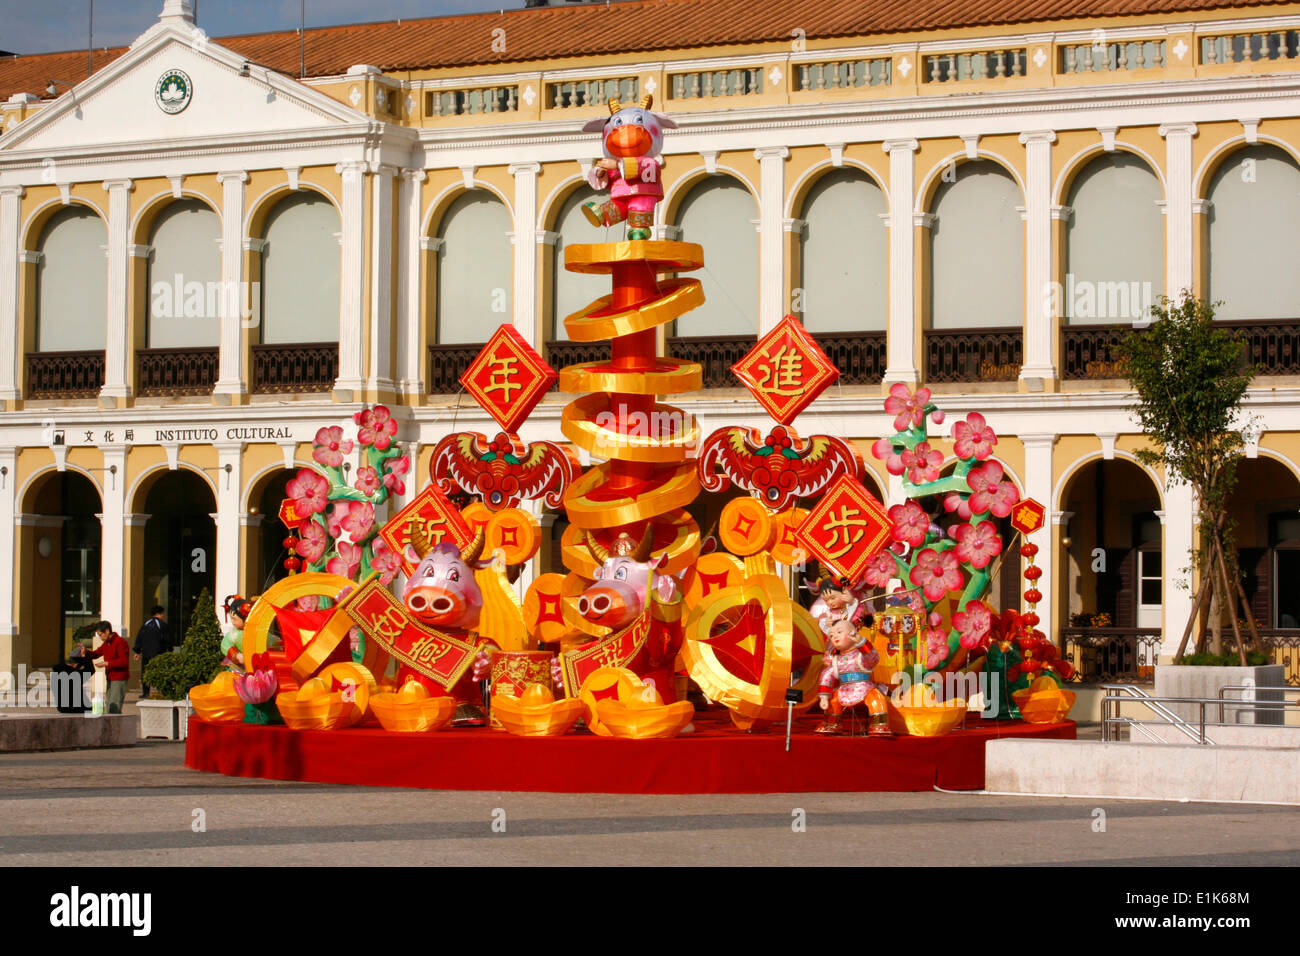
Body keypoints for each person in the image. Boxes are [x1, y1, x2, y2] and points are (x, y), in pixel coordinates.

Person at [77, 622, 130, 715]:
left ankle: (115, 726)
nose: (100, 637)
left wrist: (107, 663)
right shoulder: (106, 643)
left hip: (119, 678)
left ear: (107, 631)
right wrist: (86, 652)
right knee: (109, 704)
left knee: (114, 706)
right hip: (110, 677)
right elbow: (96, 653)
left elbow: (124, 661)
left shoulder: (120, 642)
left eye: (100, 634)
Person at [133, 605, 171, 697]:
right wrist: (169, 650)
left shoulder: (146, 625)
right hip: (159, 653)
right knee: (160, 673)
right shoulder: (162, 625)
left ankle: (146, 693)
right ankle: (163, 692)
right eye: (163, 614)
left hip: (146, 653)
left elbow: (139, 638)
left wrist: (137, 651)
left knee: (145, 673)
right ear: (160, 614)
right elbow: (168, 639)